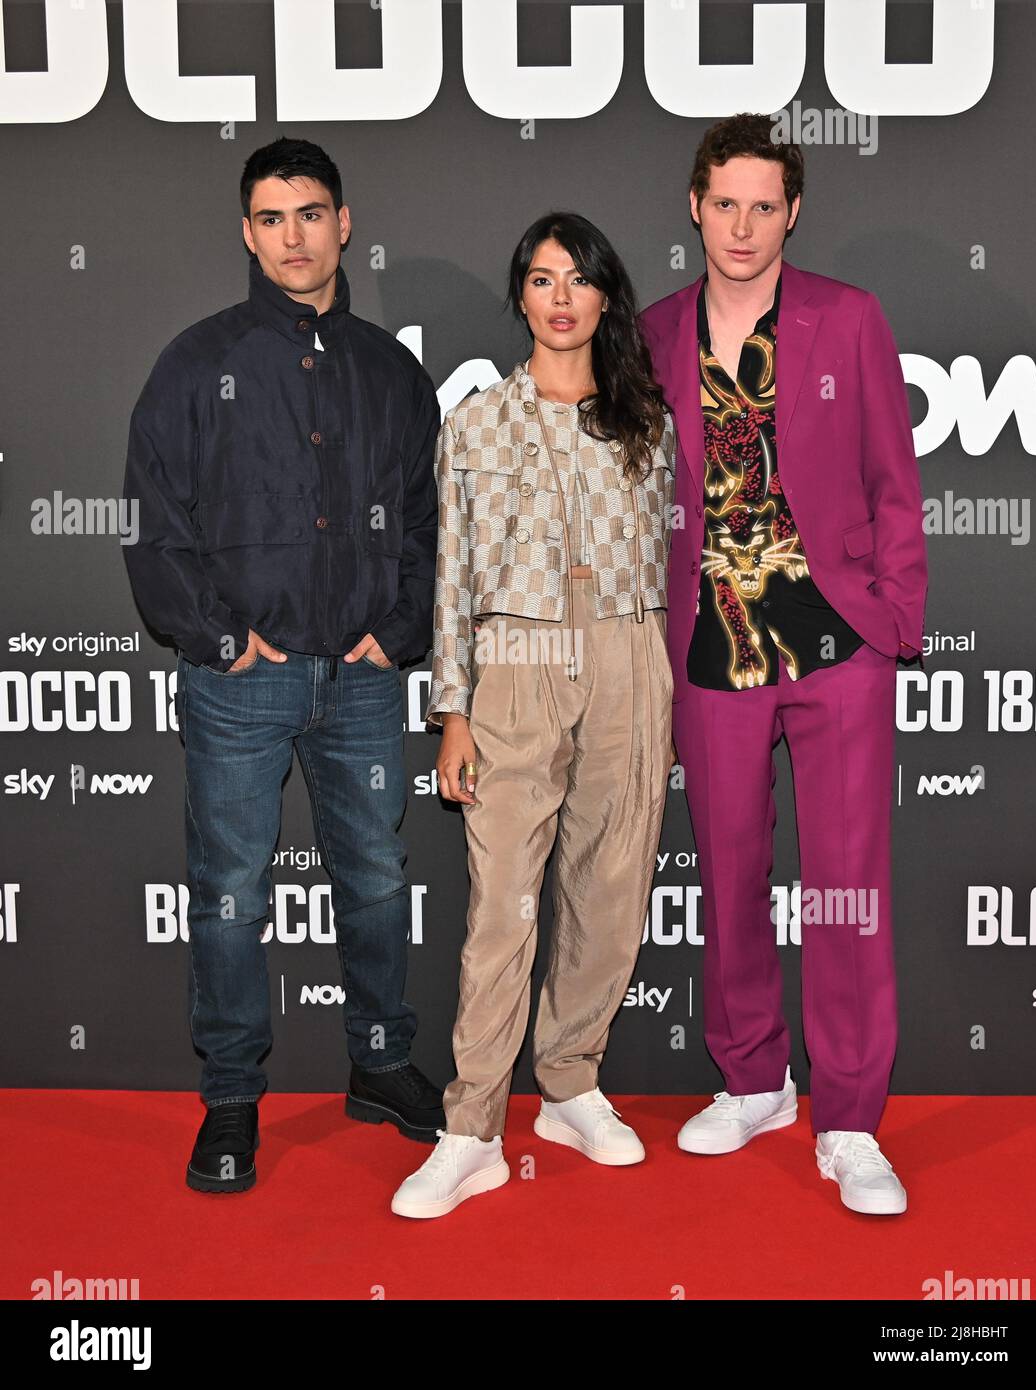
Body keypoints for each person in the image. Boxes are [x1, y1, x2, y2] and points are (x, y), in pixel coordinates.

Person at [121, 137, 444, 1194]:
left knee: (380, 881)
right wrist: (221, 639)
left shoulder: (393, 373)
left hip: (359, 680)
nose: (293, 236)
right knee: (226, 893)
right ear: (246, 231)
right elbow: (153, 523)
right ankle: (228, 1098)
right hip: (236, 682)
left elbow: (429, 524)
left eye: (311, 213)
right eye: (271, 217)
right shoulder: (192, 363)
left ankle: (383, 1062)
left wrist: (394, 633)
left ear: (343, 223)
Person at [639, 113, 927, 1216]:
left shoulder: (845, 318)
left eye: (765, 205)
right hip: (709, 643)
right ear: (695, 208)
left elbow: (891, 481)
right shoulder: (655, 330)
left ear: (792, 212)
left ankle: (848, 1117)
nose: (743, 225)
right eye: (725, 204)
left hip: (831, 640)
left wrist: (890, 616)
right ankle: (752, 1077)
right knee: (729, 875)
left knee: (846, 888)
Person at [391, 213, 677, 1219]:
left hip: (624, 651)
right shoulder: (472, 426)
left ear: (605, 295)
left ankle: (567, 1083)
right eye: (541, 279)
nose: (560, 298)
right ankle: (469, 1126)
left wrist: (644, 669)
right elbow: (450, 576)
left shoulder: (648, 423)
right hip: (513, 655)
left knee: (609, 888)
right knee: (500, 906)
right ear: (519, 294)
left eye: (578, 279)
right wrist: (453, 710)